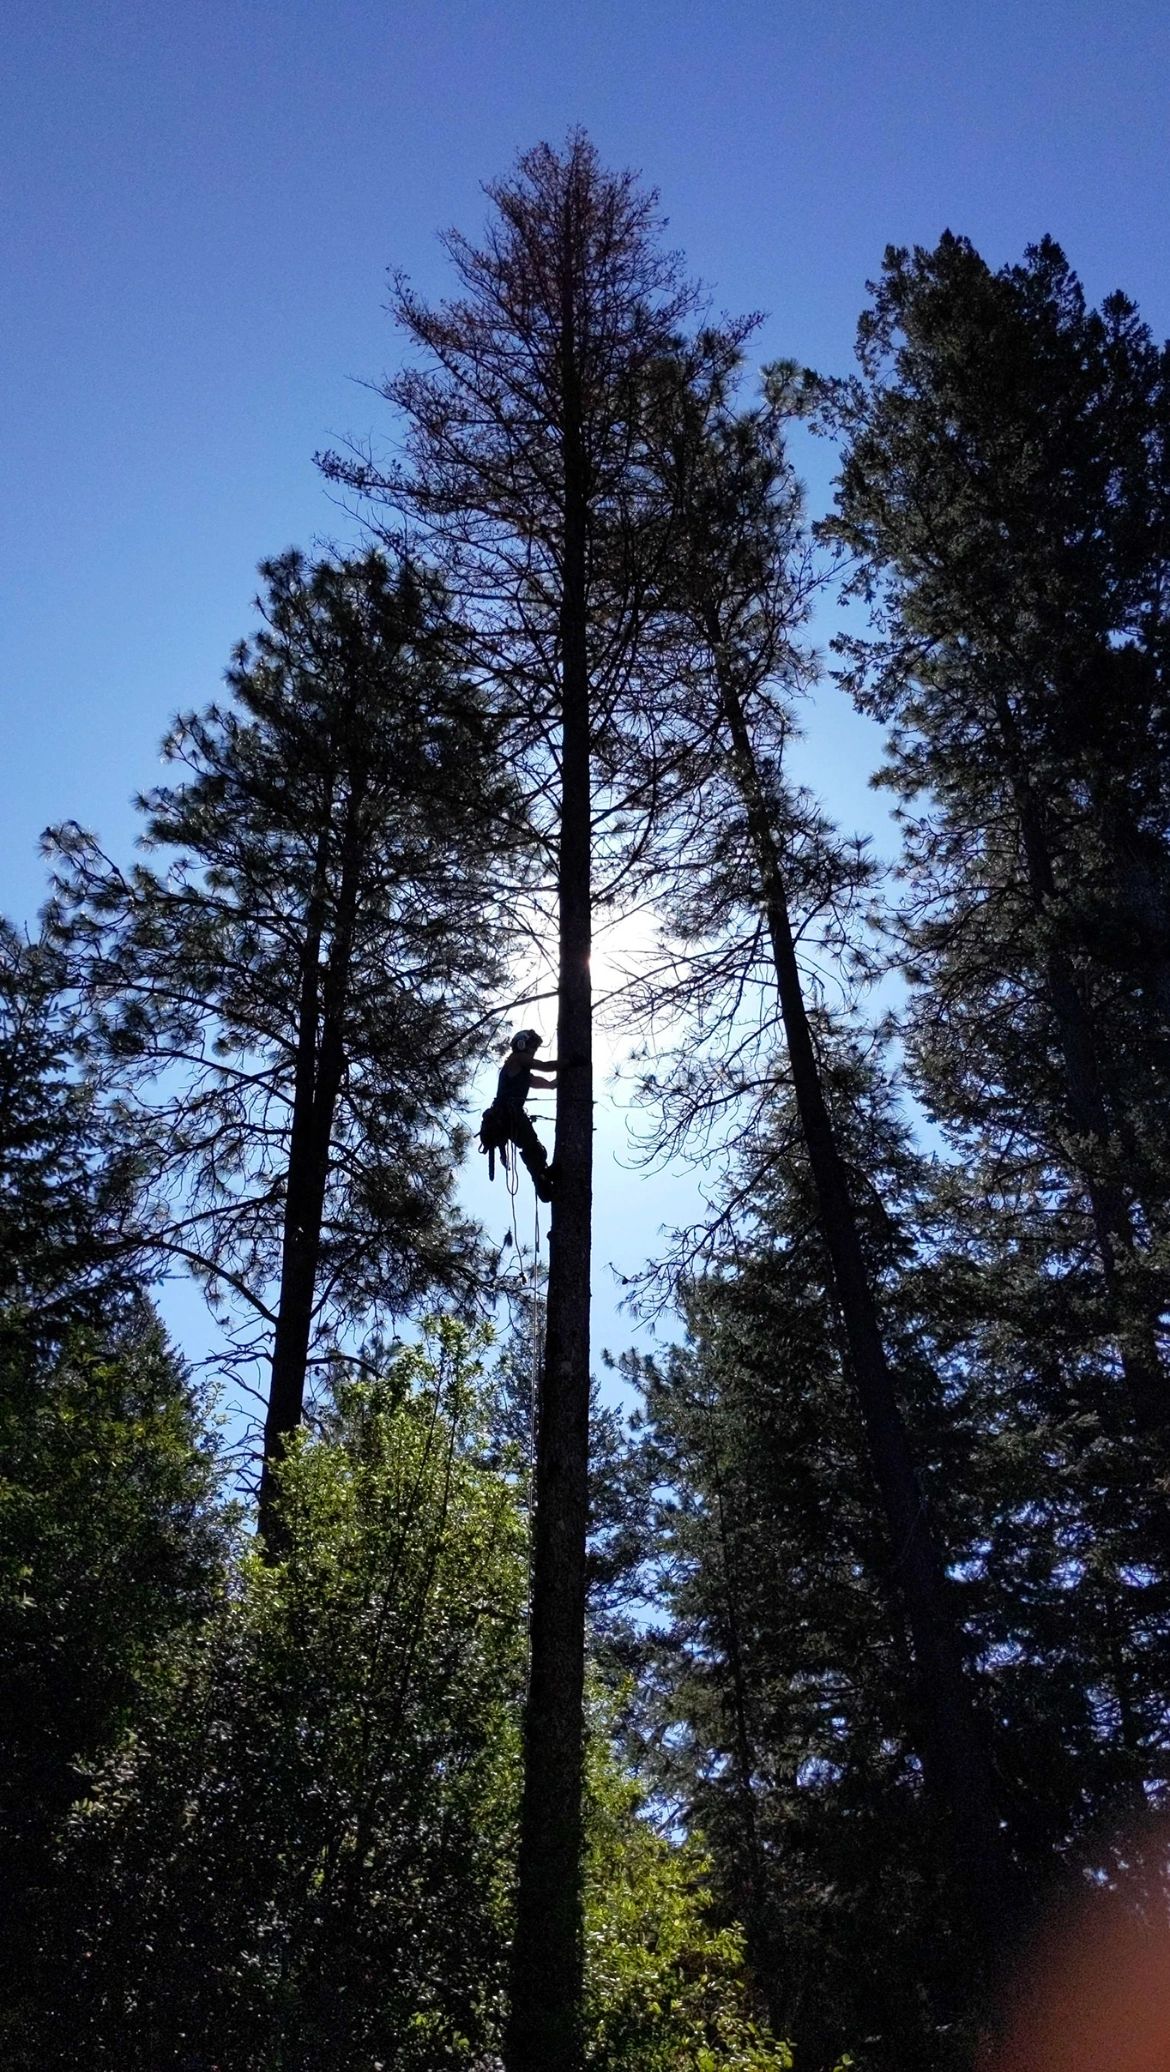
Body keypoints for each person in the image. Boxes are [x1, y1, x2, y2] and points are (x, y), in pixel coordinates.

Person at [479, 1028, 564, 1200]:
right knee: (533, 1148)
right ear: (522, 1044)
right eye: (532, 1047)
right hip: (508, 1114)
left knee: (533, 1148)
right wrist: (568, 1063)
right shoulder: (517, 1058)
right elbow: (545, 1066)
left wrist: (558, 1082)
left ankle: (543, 1182)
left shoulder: (519, 1070)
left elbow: (543, 1082)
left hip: (506, 1116)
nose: (533, 1052)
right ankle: (543, 1182)